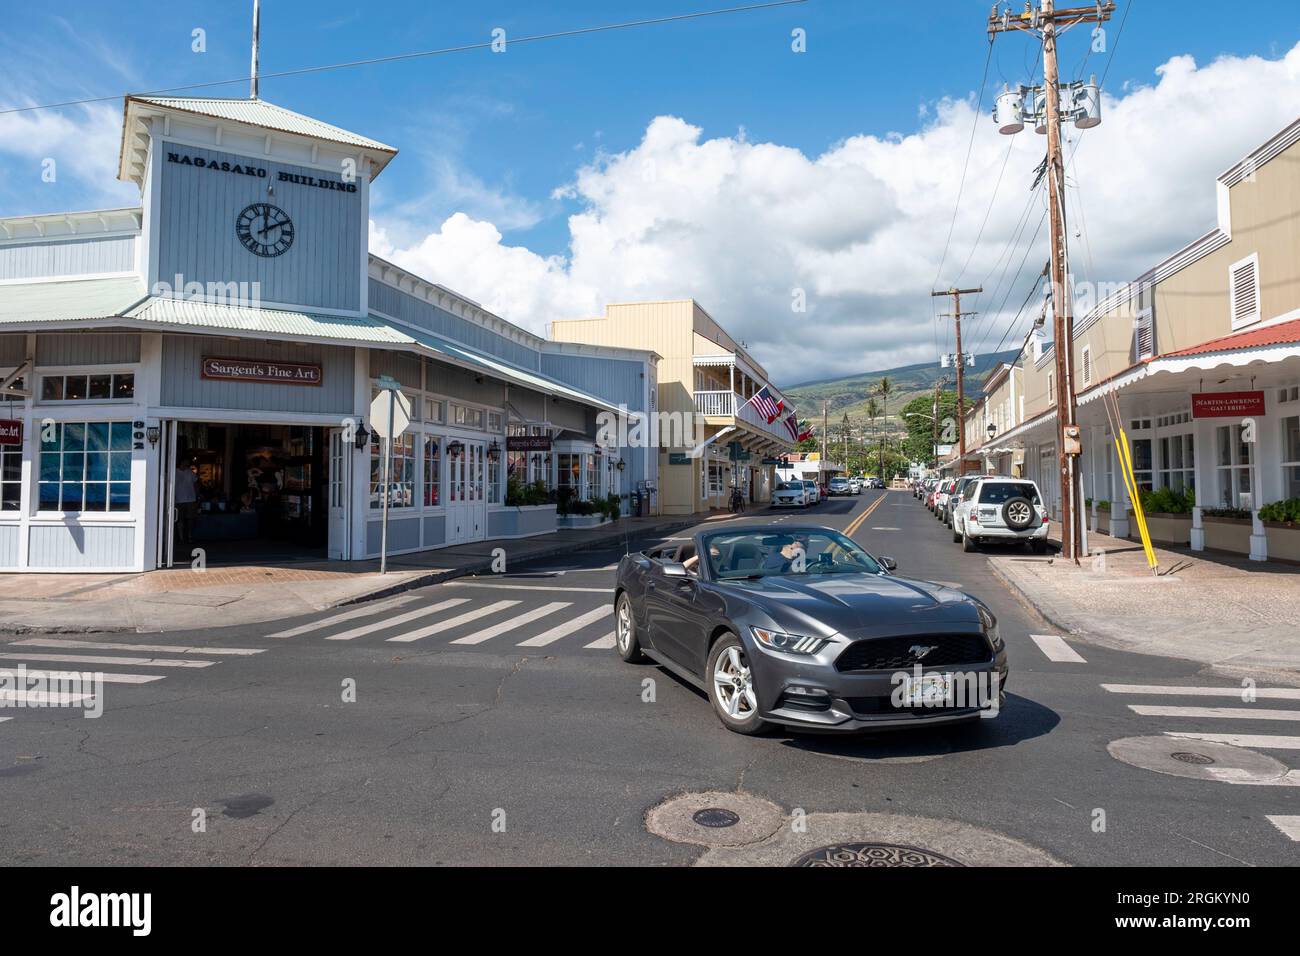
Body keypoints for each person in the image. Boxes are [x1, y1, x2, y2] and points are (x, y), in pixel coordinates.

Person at [174, 459, 199, 547]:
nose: (187, 464)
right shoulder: (174, 472)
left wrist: (197, 496)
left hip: (191, 499)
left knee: (190, 519)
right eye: (185, 462)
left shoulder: (190, 472)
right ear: (181, 463)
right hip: (178, 500)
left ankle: (189, 536)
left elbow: (196, 484)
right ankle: (181, 538)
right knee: (180, 520)